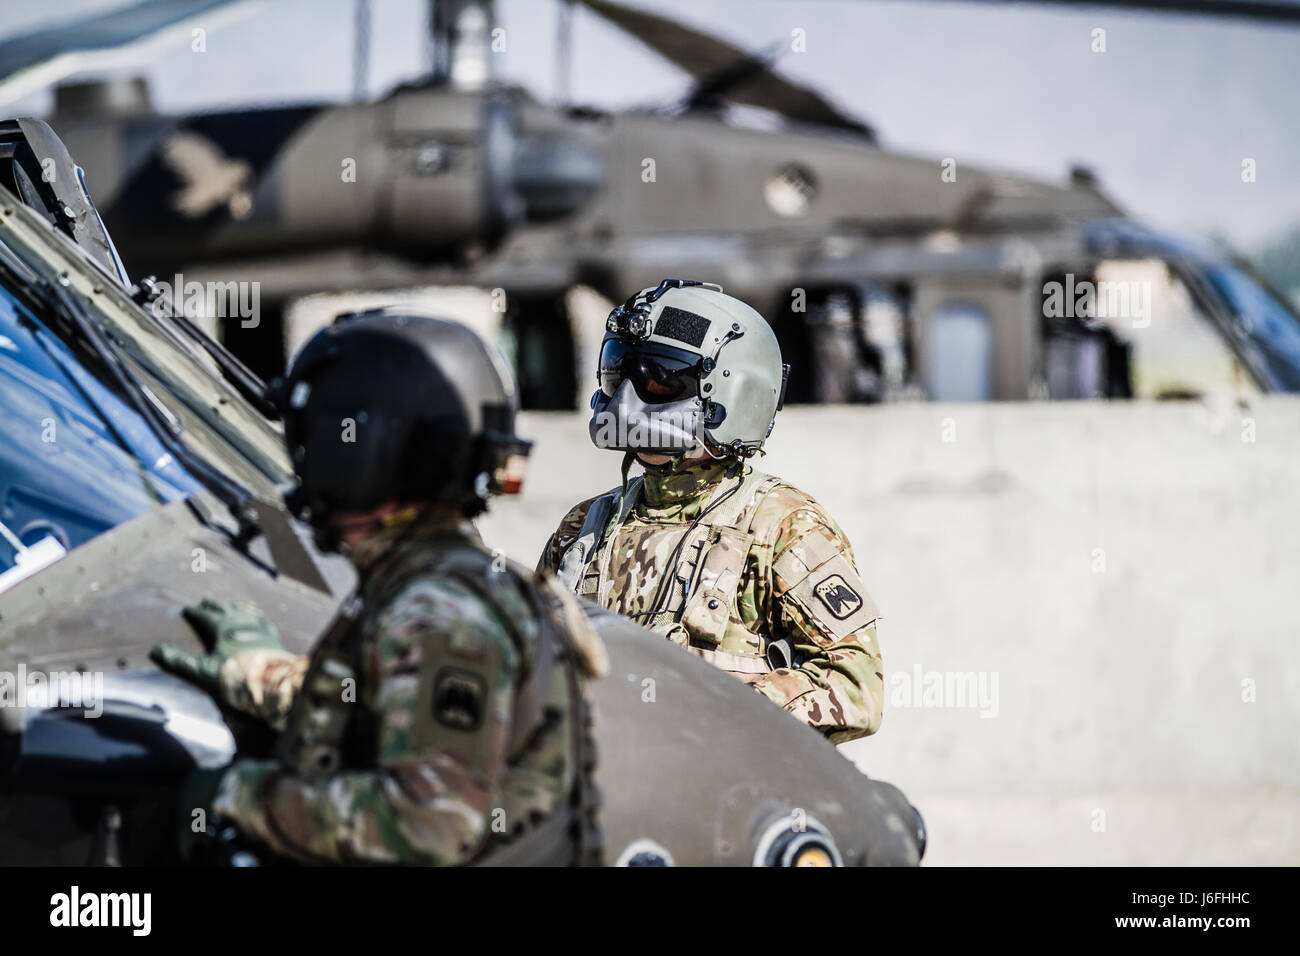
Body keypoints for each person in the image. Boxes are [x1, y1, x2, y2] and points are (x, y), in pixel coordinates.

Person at [152, 311, 606, 865]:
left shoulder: (438, 611)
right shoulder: (449, 582)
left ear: (360, 454)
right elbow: (393, 714)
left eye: (318, 440)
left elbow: (427, 825)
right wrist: (260, 675)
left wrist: (239, 795)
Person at [539, 280, 883, 744]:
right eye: (620, 376)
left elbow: (855, 687)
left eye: (660, 380)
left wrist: (715, 714)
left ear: (733, 393)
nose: (626, 402)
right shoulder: (583, 528)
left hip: (723, 779)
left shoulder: (781, 526)